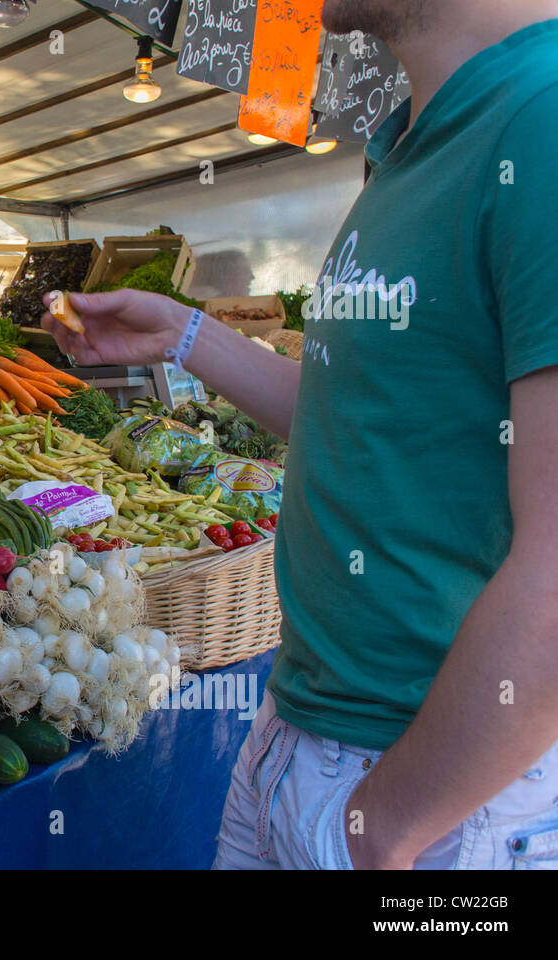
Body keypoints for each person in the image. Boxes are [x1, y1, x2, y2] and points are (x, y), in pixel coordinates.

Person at [43, 0, 558, 870]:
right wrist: (183, 332)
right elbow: (351, 419)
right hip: (296, 737)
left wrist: (386, 827)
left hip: (436, 800)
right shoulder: (408, 147)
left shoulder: (540, 119)